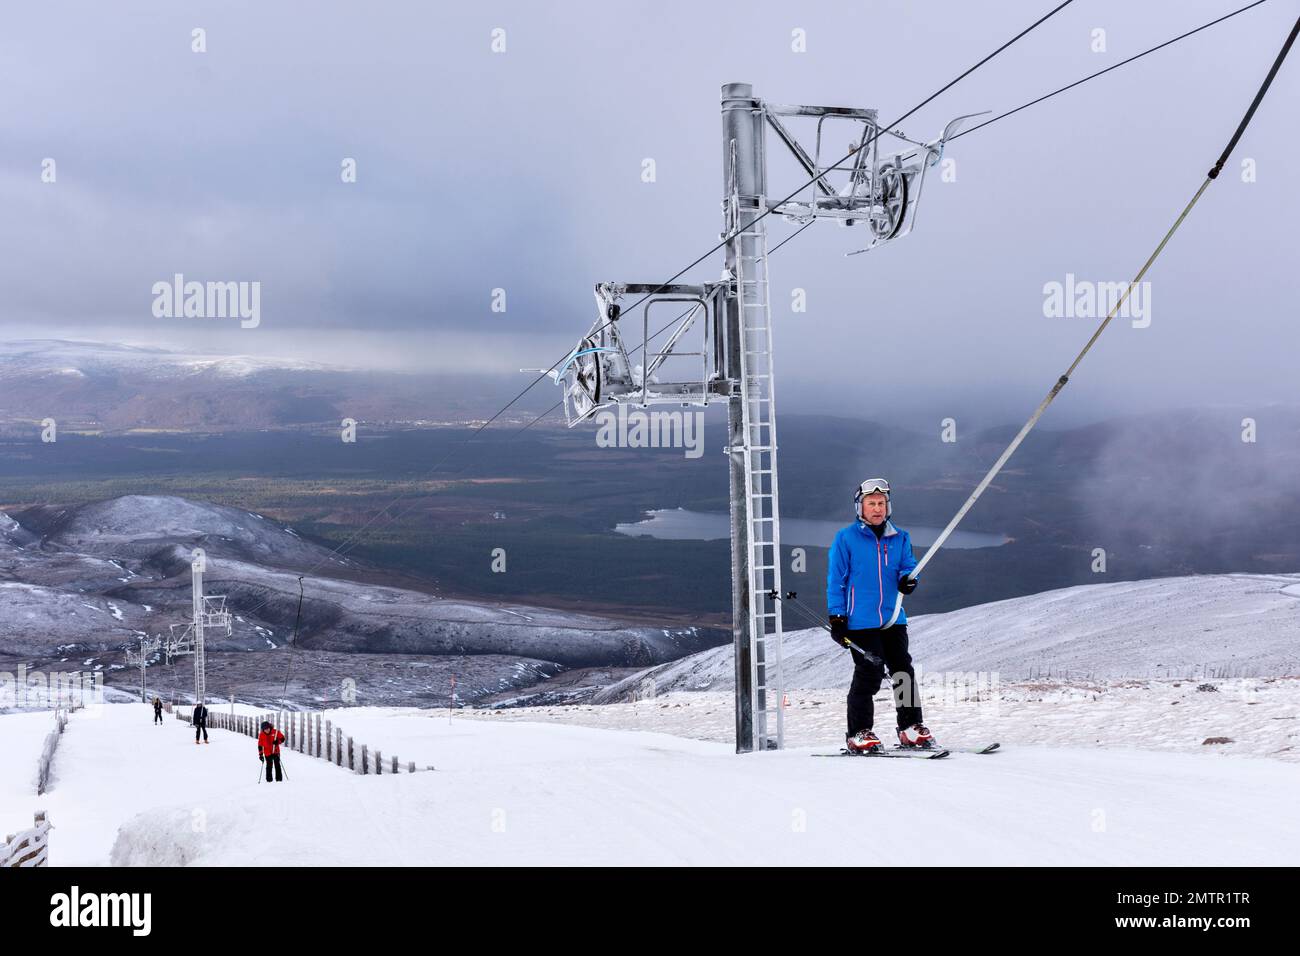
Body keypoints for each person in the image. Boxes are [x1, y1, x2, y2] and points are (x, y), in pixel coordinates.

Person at [826, 477, 933, 753]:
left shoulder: (900, 537)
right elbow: (836, 580)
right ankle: (858, 732)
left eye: (881, 503)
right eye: (871, 503)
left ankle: (910, 728)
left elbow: (908, 567)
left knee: (903, 671)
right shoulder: (846, 538)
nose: (877, 508)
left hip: (893, 617)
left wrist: (909, 579)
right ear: (860, 508)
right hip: (860, 621)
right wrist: (837, 618)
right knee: (870, 672)